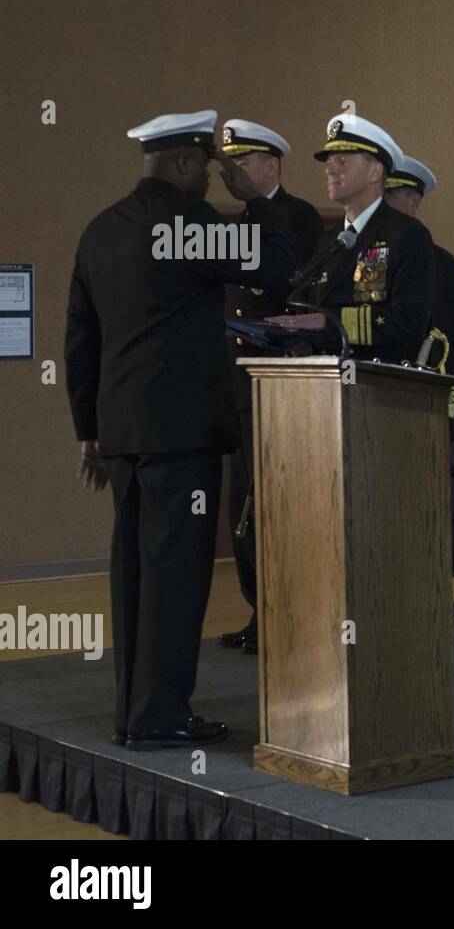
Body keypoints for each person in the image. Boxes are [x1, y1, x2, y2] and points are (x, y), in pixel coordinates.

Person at [63, 110, 297, 749]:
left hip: (122, 434)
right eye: (211, 167)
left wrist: (90, 430)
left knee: (133, 573)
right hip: (180, 435)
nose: (216, 180)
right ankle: (160, 716)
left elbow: (81, 339)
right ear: (188, 162)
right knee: (176, 576)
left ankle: (133, 711)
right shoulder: (186, 227)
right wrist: (254, 199)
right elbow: (277, 263)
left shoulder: (100, 230)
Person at [217, 119, 324, 655]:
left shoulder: (298, 217)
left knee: (277, 498)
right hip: (241, 379)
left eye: (243, 162)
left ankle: (288, 611)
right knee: (244, 500)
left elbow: (301, 288)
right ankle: (260, 608)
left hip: (282, 374)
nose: (232, 172)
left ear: (272, 166)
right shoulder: (240, 221)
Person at [292, 114, 436, 365]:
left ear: (375, 171)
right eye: (329, 161)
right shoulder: (328, 240)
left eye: (342, 161)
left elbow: (408, 321)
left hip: (376, 384)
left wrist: (330, 322)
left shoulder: (407, 234)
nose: (330, 169)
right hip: (321, 380)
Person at [384, 151, 454, 422]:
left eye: (386, 197)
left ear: (413, 203)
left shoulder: (442, 266)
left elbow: (447, 344)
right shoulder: (357, 253)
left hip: (412, 403)